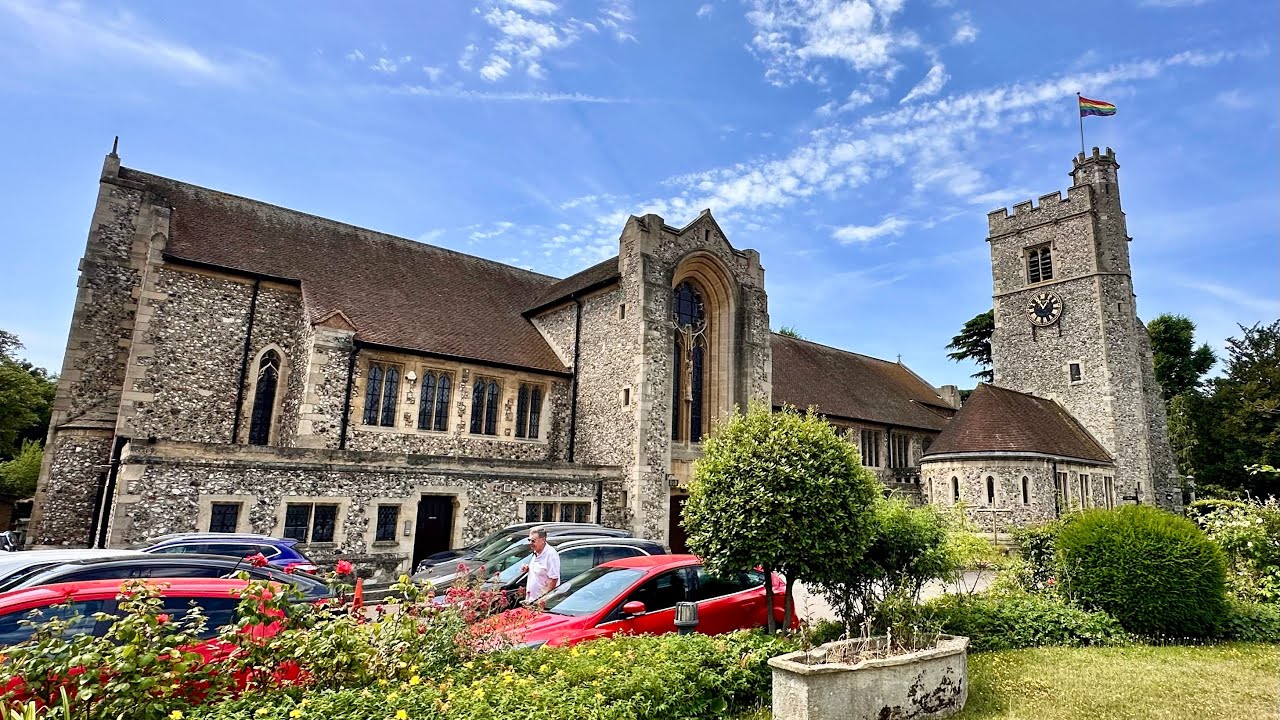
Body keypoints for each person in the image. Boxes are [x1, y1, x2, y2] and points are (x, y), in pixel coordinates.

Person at [523, 528, 560, 602]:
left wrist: (544, 599)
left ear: (542, 540)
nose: (530, 543)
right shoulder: (536, 552)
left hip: (541, 602)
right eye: (529, 540)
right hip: (531, 600)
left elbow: (553, 579)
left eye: (533, 541)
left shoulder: (551, 555)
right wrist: (528, 568)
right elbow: (540, 571)